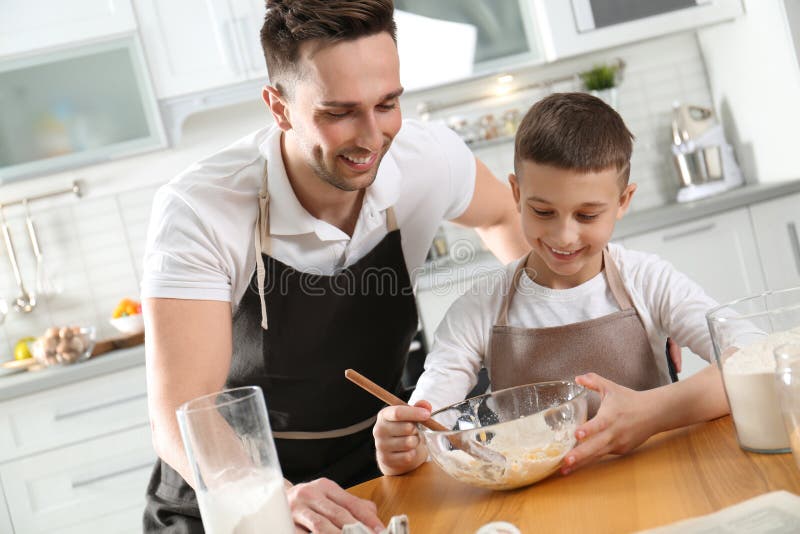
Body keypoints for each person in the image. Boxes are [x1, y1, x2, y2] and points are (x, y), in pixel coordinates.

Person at [140, 0, 528, 532]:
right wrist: (277, 499)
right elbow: (182, 412)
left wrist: (575, 317)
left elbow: (505, 215)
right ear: (279, 108)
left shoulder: (426, 159)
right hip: (236, 495)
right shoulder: (200, 209)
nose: (371, 137)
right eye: (339, 112)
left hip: (372, 473)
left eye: (387, 103)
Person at [374, 92, 730, 478]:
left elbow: (751, 359)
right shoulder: (481, 307)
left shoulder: (648, 281)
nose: (564, 236)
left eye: (587, 215)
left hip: (657, 480)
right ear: (516, 194)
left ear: (623, 201)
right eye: (543, 212)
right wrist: (407, 442)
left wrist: (652, 412)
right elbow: (429, 416)